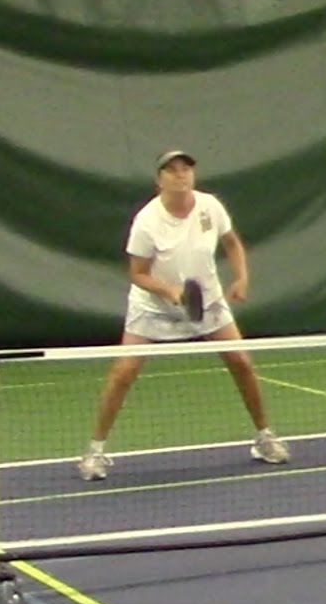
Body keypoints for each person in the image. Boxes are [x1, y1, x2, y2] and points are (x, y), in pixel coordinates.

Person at [77, 150, 290, 481]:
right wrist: (169, 291)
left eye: (186, 169)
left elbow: (232, 243)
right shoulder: (147, 222)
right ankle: (94, 452)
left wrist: (242, 277)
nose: (181, 175)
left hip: (206, 301)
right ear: (159, 179)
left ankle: (264, 437)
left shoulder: (210, 207)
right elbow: (137, 273)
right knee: (123, 372)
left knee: (242, 363)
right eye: (172, 170)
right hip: (153, 306)